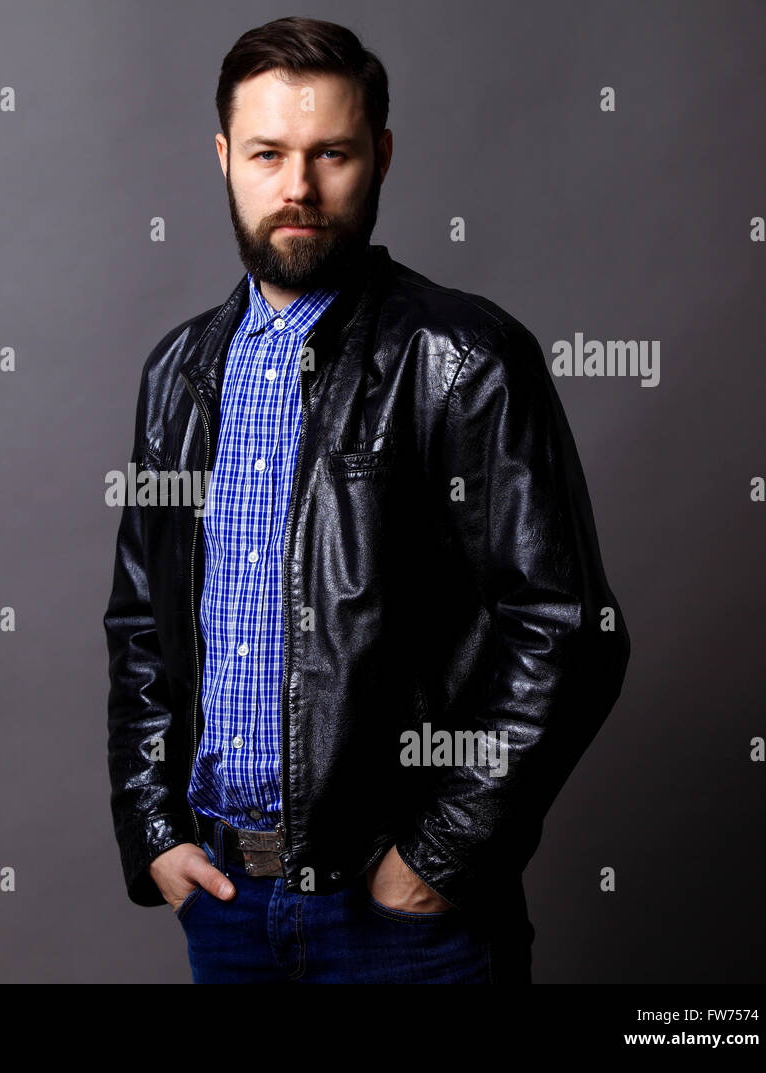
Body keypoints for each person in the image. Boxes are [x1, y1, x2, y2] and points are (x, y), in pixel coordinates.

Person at [103, 15, 630, 983]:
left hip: (401, 921)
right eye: (266, 153)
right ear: (223, 157)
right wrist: (152, 830)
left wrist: (439, 854)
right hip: (224, 900)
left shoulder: (463, 361)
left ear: (379, 156)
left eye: (330, 153)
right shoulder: (176, 374)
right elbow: (140, 620)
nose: (296, 187)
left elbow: (569, 627)